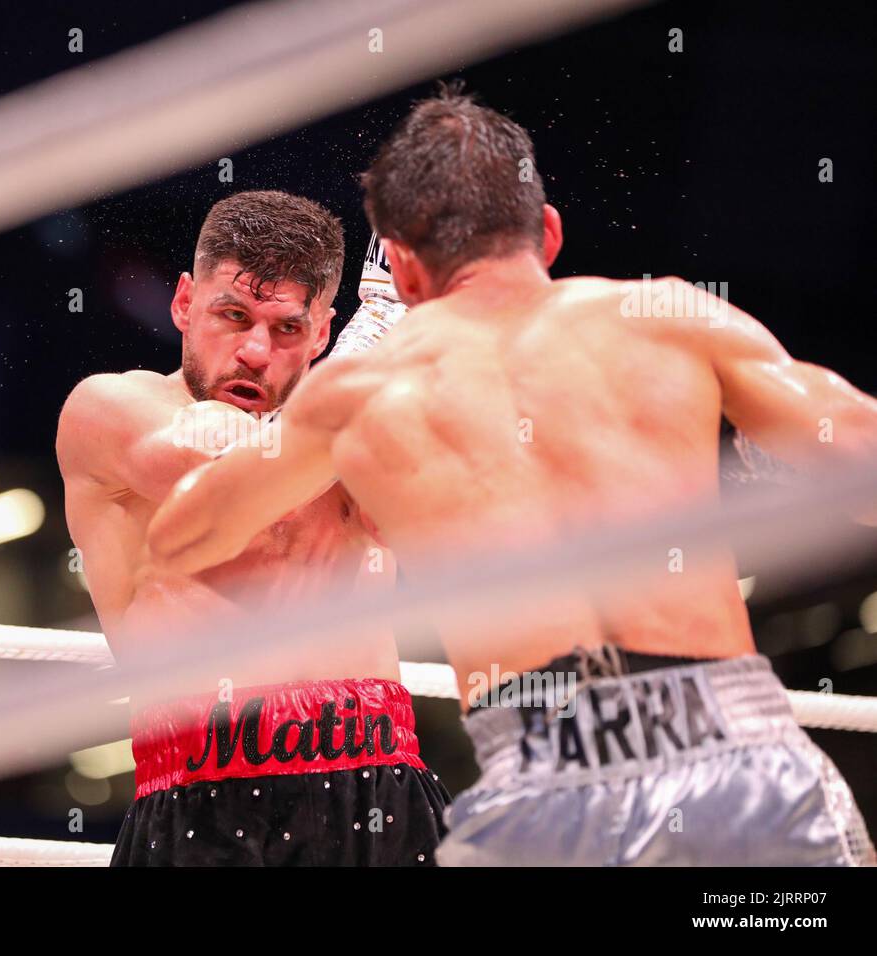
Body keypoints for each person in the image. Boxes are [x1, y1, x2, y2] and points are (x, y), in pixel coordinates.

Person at [148, 88, 877, 866]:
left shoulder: (361, 393)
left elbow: (183, 535)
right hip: (743, 773)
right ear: (549, 232)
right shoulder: (672, 318)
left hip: (543, 805)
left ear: (400, 268)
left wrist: (353, 361)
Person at [55, 189, 445, 865]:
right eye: (233, 316)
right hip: (203, 794)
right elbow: (243, 480)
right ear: (184, 303)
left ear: (322, 334)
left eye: (288, 328)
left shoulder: (356, 419)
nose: (257, 351)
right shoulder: (109, 409)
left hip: (379, 784)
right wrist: (379, 330)